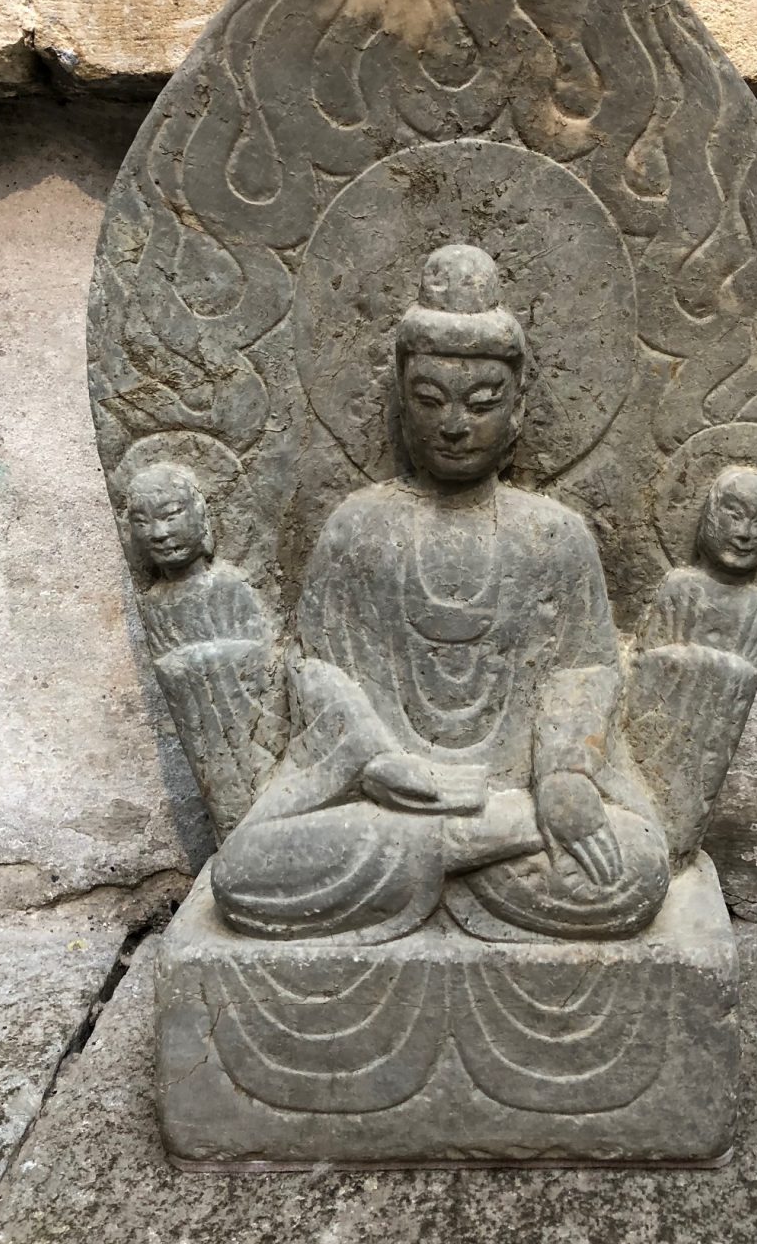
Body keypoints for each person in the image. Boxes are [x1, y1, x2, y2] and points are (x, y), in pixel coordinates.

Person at [211, 244, 669, 942]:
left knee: (637, 871)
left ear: (518, 412)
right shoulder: (358, 528)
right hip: (394, 807)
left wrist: (566, 779)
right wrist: (375, 762)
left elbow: (585, 670)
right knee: (241, 873)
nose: (455, 424)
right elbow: (319, 672)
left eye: (482, 403)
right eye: (430, 400)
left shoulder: (555, 535)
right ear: (400, 406)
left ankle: (467, 848)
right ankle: (463, 848)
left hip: (522, 798)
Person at [625, 465, 757, 860]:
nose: (744, 534)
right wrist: (709, 666)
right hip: (664, 735)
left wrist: (707, 667)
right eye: (733, 515)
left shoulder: (755, 607)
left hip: (709, 746)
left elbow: (745, 688)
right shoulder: (680, 587)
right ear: (708, 518)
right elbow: (645, 671)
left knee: (689, 812)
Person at [126, 462, 284, 840]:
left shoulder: (230, 586)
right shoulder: (154, 605)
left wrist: (201, 661)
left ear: (200, 516)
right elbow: (169, 679)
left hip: (249, 733)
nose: (159, 534)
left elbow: (264, 664)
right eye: (142, 522)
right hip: (204, 741)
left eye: (170, 516)